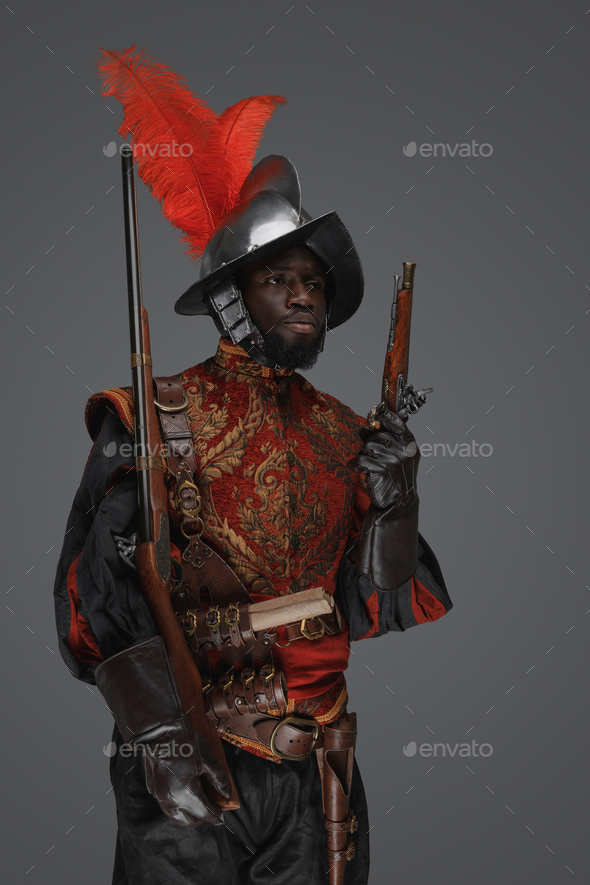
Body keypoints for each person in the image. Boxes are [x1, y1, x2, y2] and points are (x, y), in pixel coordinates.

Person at [54, 48, 452, 885]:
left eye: (313, 282)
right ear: (234, 296)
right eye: (281, 278)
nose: (306, 295)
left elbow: (373, 605)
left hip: (316, 771)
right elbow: (97, 587)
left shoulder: (348, 434)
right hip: (187, 751)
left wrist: (397, 504)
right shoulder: (153, 416)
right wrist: (158, 734)